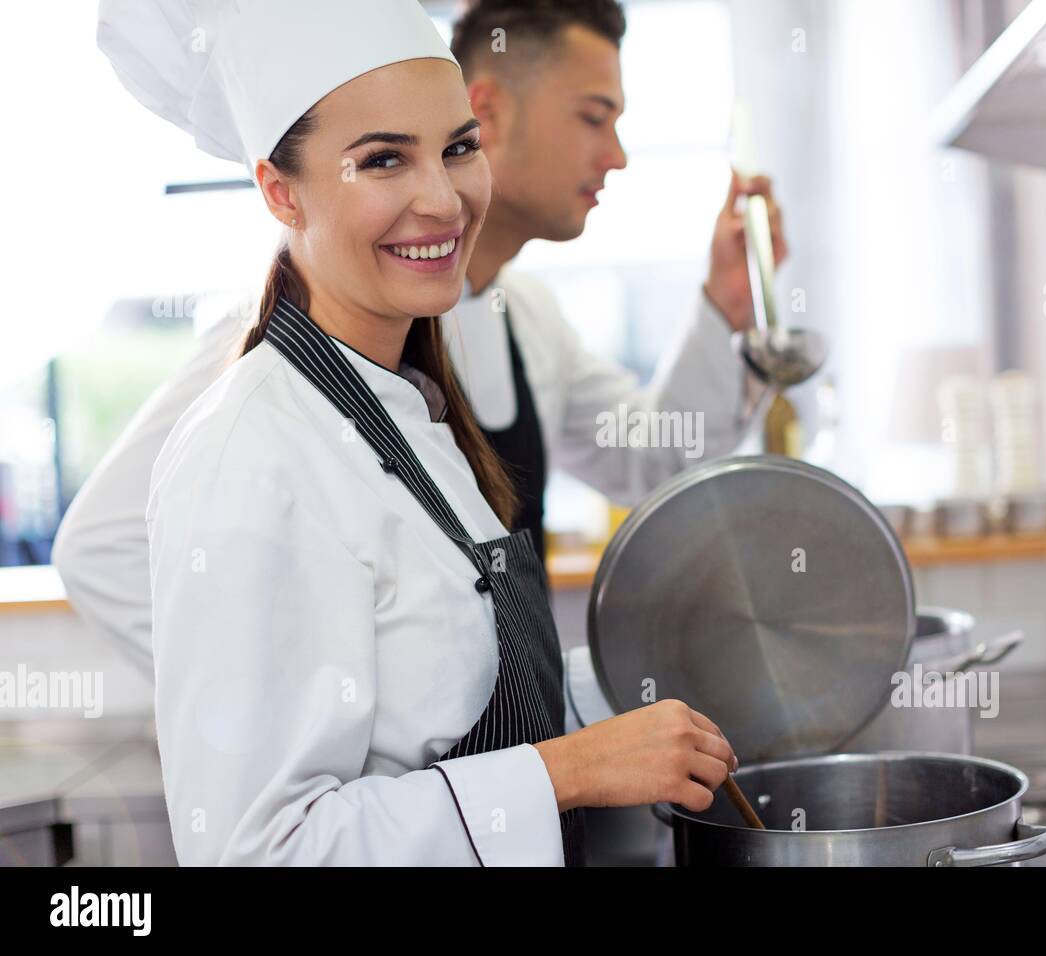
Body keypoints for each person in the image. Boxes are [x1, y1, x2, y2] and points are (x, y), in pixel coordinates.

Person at [96, 0, 736, 866]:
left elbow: (433, 702)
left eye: (458, 148)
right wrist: (562, 771)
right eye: (384, 159)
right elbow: (265, 853)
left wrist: (625, 716)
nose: (442, 199)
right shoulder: (248, 451)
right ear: (280, 192)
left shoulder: (418, 406)